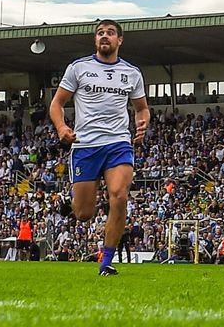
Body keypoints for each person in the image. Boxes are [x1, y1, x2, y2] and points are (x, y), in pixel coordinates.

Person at [48, 19, 149, 276]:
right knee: (83, 213)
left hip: (118, 143)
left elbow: (141, 108)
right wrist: (62, 128)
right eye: (100, 33)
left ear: (119, 40)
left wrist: (142, 123)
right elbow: (57, 104)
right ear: (95, 40)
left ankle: (106, 262)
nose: (105, 36)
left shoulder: (131, 73)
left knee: (120, 195)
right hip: (86, 146)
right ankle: (66, 201)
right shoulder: (79, 68)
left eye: (110, 33)